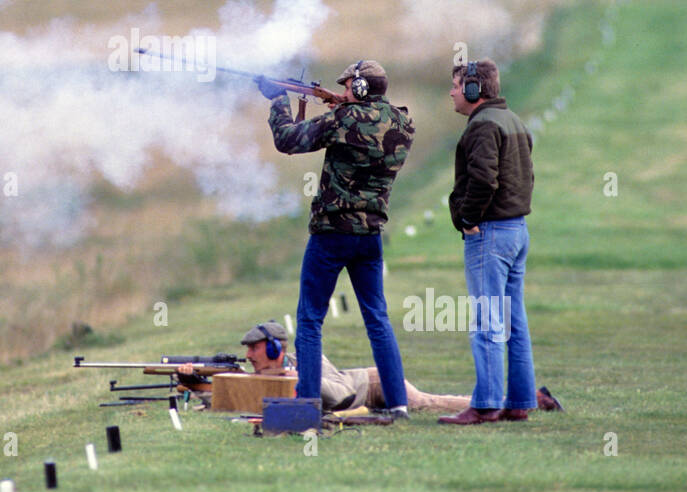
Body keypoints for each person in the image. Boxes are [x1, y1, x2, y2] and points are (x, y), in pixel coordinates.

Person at [259, 60, 414, 419]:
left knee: (310, 319)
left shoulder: (344, 121)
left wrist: (279, 99)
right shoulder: (403, 122)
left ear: (359, 89)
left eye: (347, 88)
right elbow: (367, 128)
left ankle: (309, 403)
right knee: (378, 318)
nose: (342, 93)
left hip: (332, 232)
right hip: (371, 234)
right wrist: (343, 108)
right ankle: (398, 403)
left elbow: (288, 140)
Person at [441, 59, 542, 425]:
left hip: (491, 233)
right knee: (515, 322)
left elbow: (484, 180)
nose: (451, 92)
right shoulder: (514, 120)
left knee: (487, 322)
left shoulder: (483, 126)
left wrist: (468, 218)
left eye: (455, 86)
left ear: (472, 90)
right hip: (517, 231)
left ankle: (485, 405)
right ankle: (518, 402)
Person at [203, 321, 561, 415]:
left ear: (275, 348)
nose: (249, 356)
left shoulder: (305, 364)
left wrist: (293, 379)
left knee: (432, 404)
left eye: (254, 349)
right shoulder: (270, 374)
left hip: (375, 383)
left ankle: (528, 400)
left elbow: (340, 395)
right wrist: (197, 387)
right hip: (369, 388)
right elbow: (240, 396)